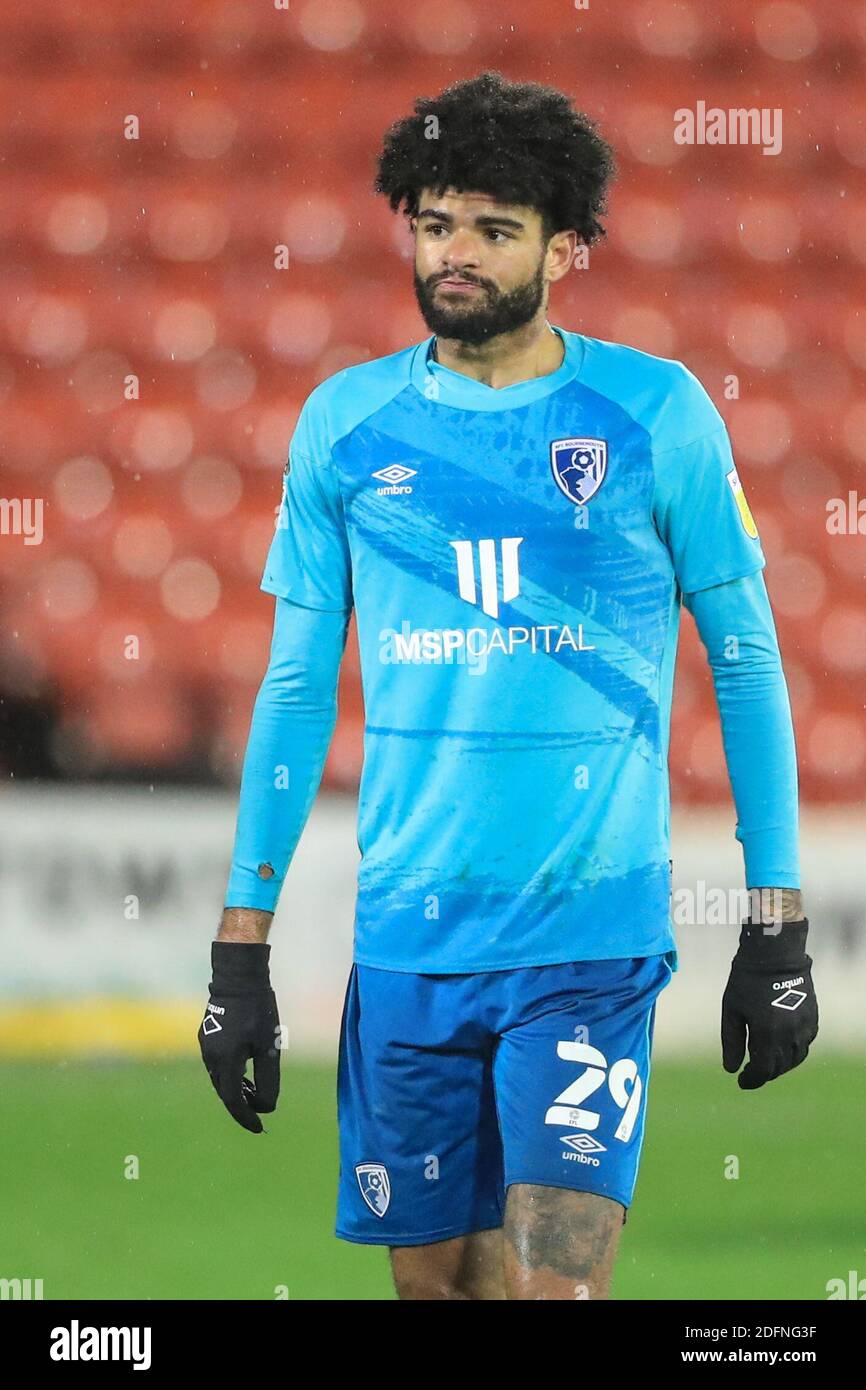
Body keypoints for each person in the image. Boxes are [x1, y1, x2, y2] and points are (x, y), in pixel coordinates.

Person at [199, 71, 818, 1300]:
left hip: (587, 939)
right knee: (440, 1289)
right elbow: (291, 689)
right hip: (410, 941)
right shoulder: (347, 425)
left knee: (554, 1291)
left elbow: (743, 662)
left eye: (491, 227)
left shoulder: (656, 414)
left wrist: (776, 917)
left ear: (564, 247)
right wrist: (240, 946)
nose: (455, 254)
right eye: (433, 223)